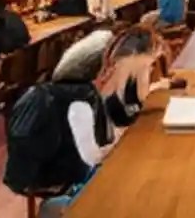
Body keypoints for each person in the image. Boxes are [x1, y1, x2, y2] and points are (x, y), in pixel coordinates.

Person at [28, 27, 166, 216]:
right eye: (149, 66)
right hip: (78, 178)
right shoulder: (84, 102)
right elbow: (92, 157)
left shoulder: (115, 85)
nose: (150, 71)